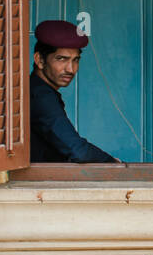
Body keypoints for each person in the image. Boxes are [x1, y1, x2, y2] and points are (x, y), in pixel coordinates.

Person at [30, 20, 119, 163]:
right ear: (39, 60)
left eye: (75, 60)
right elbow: (79, 151)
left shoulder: (39, 90)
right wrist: (112, 164)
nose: (71, 69)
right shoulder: (41, 96)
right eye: (62, 59)